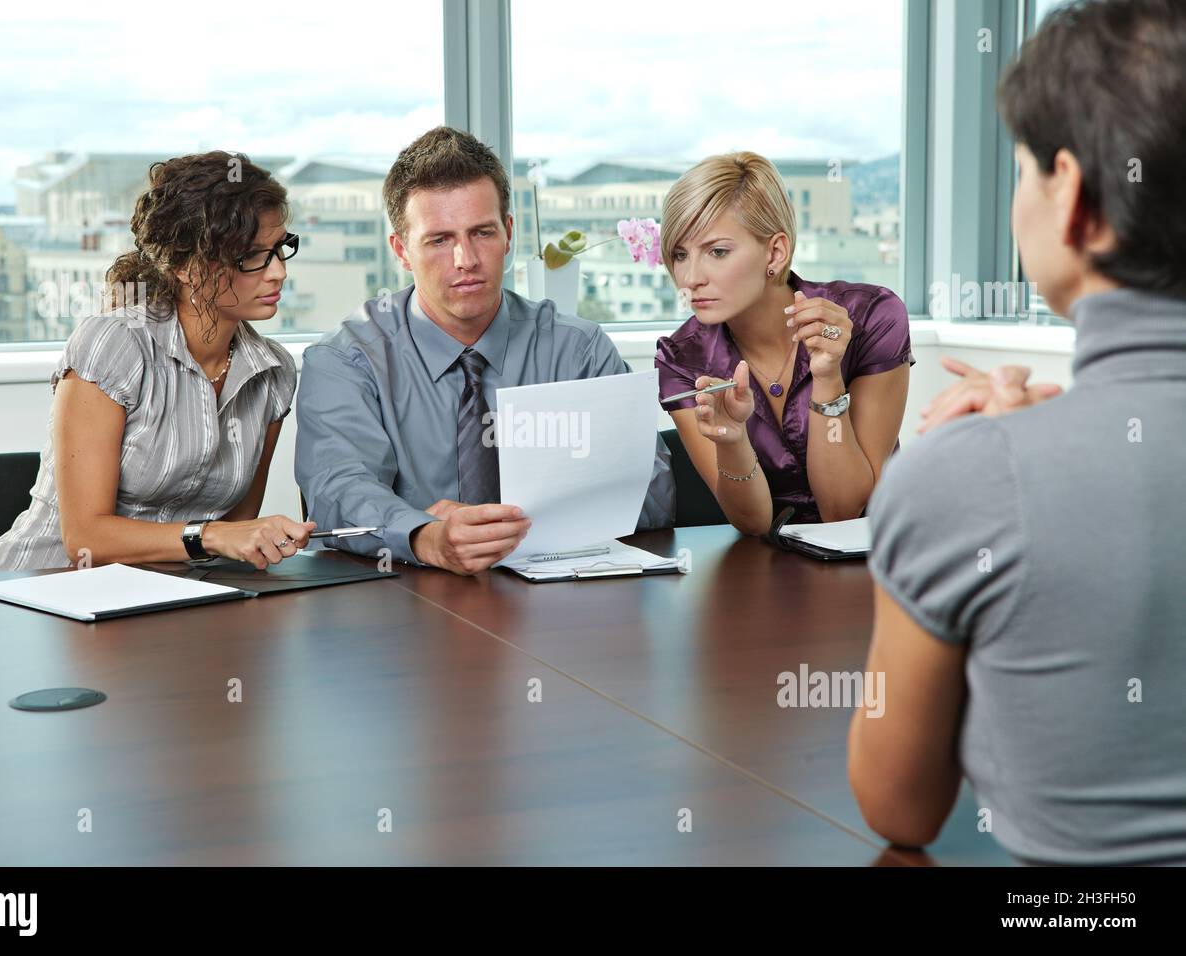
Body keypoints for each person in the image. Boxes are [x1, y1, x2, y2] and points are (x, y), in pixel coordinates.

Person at [849, 0, 1186, 865]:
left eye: (1024, 169)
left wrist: (970, 479)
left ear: (1070, 196)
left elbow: (900, 806)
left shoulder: (958, 480)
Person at [295, 127, 675, 575]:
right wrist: (424, 536)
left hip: (562, 607)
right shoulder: (346, 361)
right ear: (401, 250)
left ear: (509, 233)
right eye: (439, 240)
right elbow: (338, 492)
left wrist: (510, 527)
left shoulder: (579, 350)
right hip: (406, 607)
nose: (466, 260)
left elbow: (653, 496)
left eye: (482, 233)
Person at [0, 152, 314, 572]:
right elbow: (86, 539)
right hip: (45, 590)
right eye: (251, 255)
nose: (278, 272)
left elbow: (237, 535)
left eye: (281, 248)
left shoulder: (274, 373)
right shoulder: (114, 344)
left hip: (170, 600)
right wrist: (210, 535)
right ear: (187, 267)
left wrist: (259, 540)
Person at [654, 152, 912, 534]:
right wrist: (731, 441)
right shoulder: (682, 360)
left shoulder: (872, 317)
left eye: (717, 251)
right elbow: (754, 524)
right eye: (680, 254)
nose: (690, 278)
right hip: (766, 573)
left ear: (775, 252)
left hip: (881, 559)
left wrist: (827, 380)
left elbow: (843, 510)